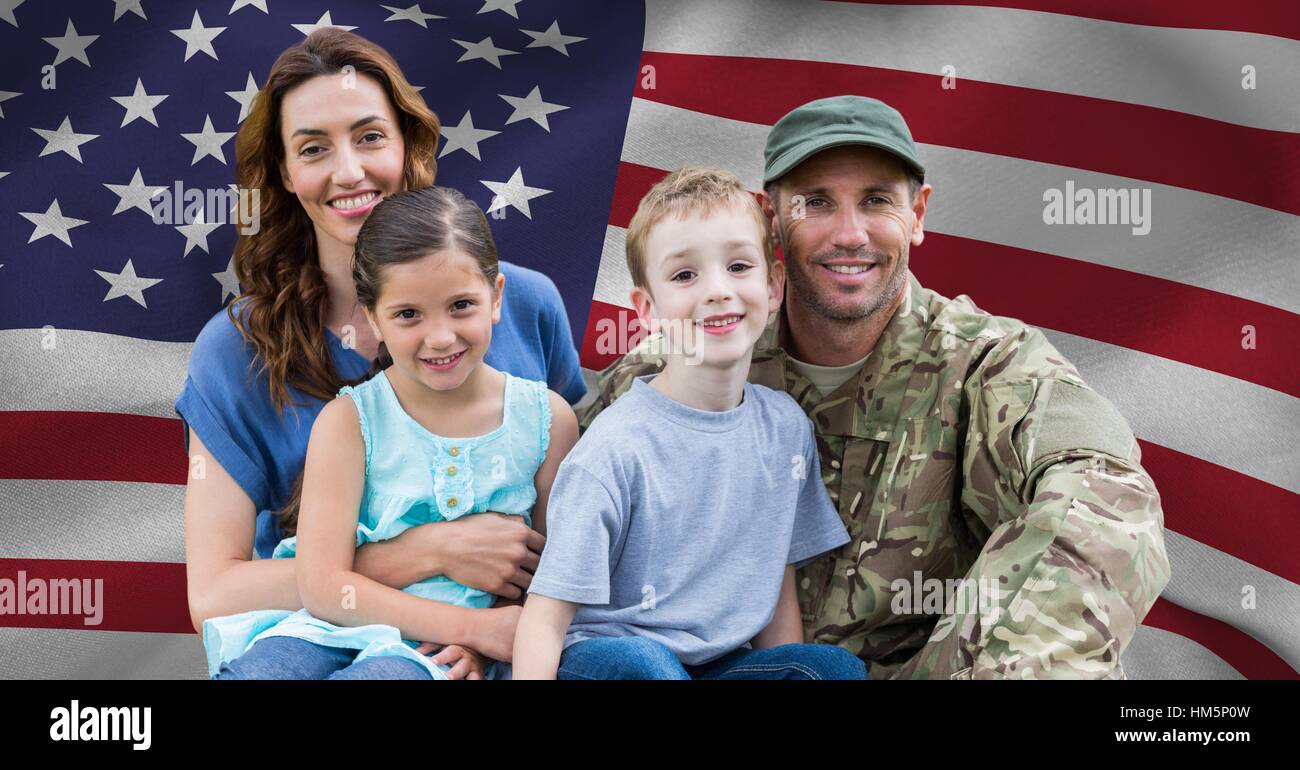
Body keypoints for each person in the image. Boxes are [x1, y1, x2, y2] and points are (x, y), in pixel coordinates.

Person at [577, 97, 1172, 680]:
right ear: (771, 216)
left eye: (877, 201)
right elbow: (550, 475)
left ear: (917, 215)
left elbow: (1107, 503)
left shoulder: (985, 363)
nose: (850, 234)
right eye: (816, 202)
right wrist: (479, 553)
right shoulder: (694, 354)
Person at [176, 30, 585, 643]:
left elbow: (572, 532)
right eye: (313, 149)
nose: (349, 171)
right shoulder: (235, 349)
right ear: (285, 173)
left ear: (407, 145)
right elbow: (212, 595)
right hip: (308, 652)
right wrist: (429, 551)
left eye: (369, 137)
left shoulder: (525, 303)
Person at [206, 186, 579, 679]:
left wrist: (487, 642)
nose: (440, 337)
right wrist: (468, 626)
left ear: (497, 298)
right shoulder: (349, 422)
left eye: (462, 305)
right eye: (408, 314)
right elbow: (323, 587)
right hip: (329, 627)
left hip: (439, 655)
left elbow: (556, 576)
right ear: (371, 319)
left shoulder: (548, 422)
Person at [513, 167, 867, 680]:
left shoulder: (785, 429)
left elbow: (776, 580)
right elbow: (544, 619)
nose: (718, 291)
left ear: (772, 286)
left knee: (829, 670)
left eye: (739, 266)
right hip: (610, 658)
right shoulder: (616, 448)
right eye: (685, 275)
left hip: (722, 666)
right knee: (649, 668)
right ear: (648, 309)